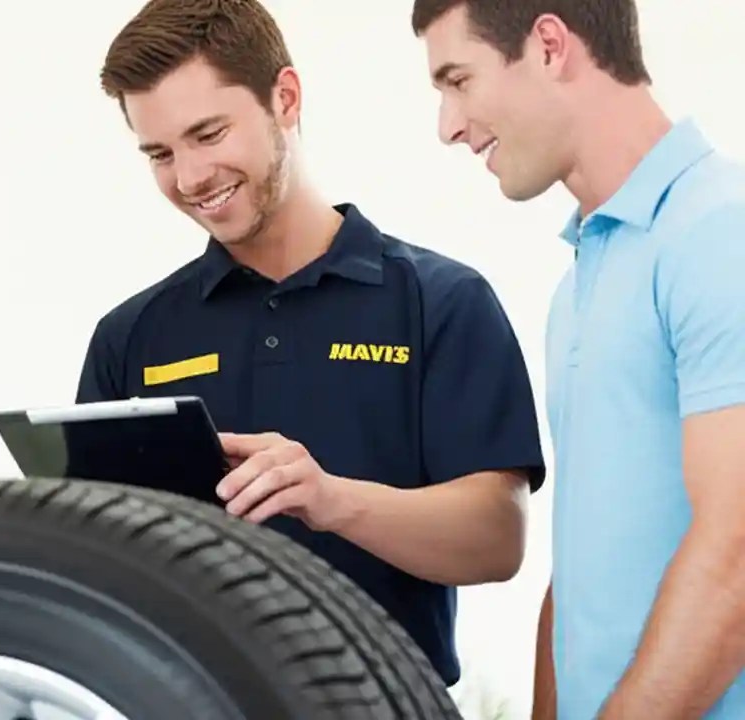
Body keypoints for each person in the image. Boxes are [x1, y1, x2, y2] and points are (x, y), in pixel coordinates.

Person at [77, 0, 546, 688]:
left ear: (285, 99)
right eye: (160, 153)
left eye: (208, 133)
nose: (189, 177)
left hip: (378, 704)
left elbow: (497, 542)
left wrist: (332, 500)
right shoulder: (131, 337)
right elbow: (96, 563)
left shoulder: (439, 303)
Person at [411, 1, 745, 718]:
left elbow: (738, 553)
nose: (448, 126)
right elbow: (583, 570)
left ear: (551, 45)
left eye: (458, 80)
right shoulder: (578, 286)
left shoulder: (723, 229)